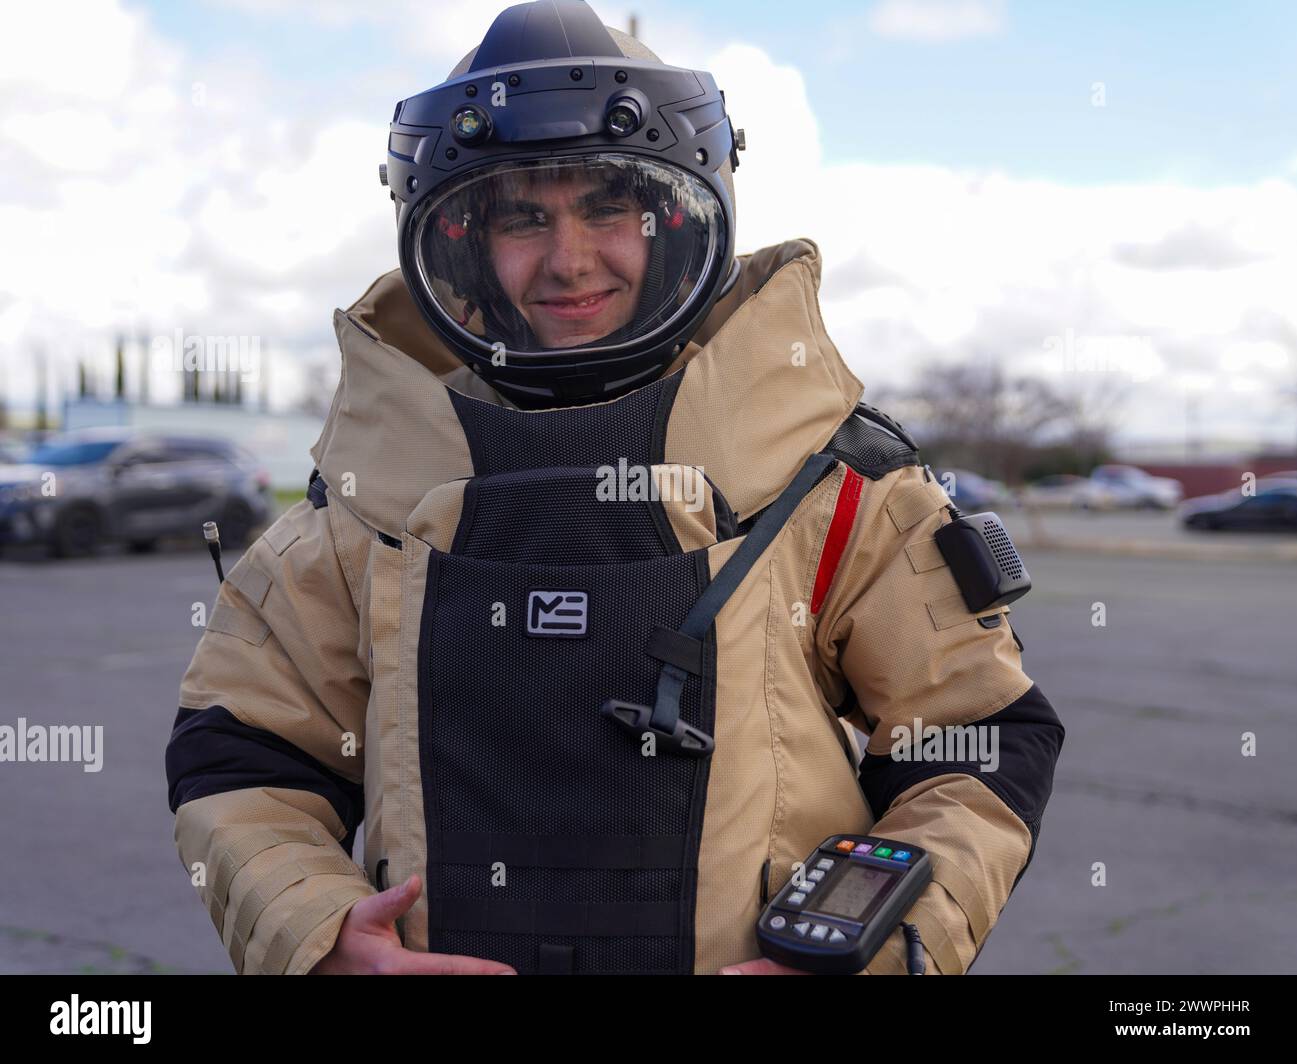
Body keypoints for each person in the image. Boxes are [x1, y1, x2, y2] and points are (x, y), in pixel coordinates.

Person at [165, 0, 1064, 976]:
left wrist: (874, 947)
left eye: (610, 205)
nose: (569, 258)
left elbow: (972, 740)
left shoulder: (835, 489)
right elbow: (243, 754)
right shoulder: (366, 505)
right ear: (459, 242)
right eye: (521, 217)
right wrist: (321, 935)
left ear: (680, 217)